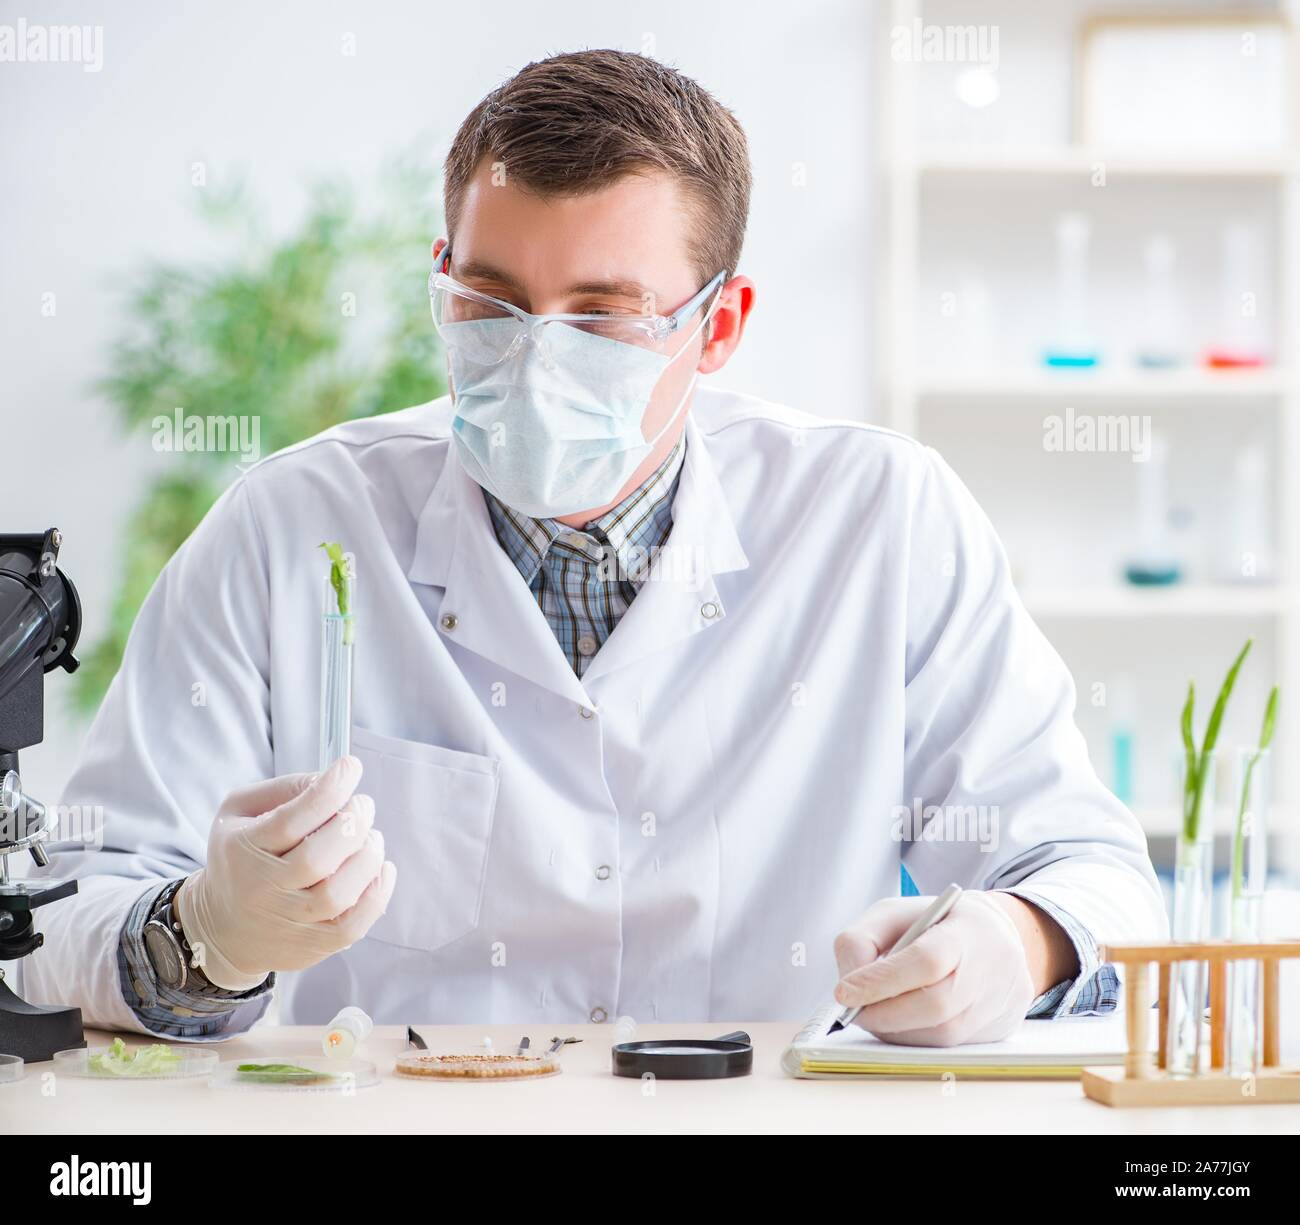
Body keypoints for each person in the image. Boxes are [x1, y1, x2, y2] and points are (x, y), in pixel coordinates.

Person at [27, 49, 1164, 1045]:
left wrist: (1016, 945)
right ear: (442, 276)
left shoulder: (884, 517)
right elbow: (50, 927)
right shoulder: (289, 528)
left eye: (601, 318)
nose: (532, 360)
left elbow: (1097, 876)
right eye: (490, 303)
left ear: (717, 325)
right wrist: (208, 935)